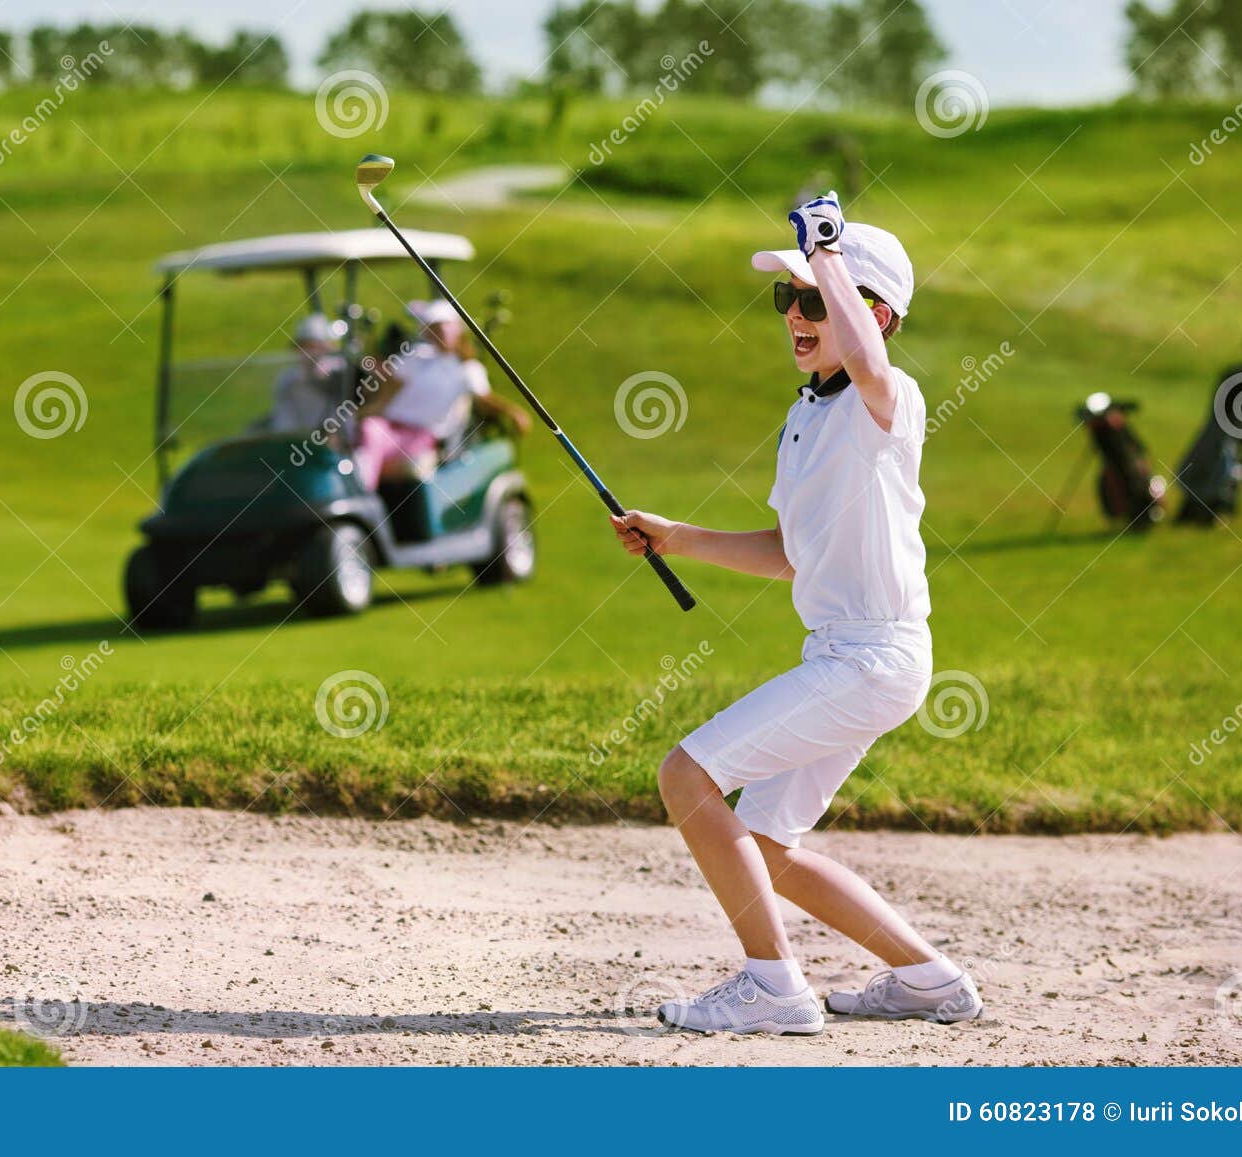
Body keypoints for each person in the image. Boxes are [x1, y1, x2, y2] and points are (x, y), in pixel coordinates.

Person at [610, 193, 981, 1035]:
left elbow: (875, 370)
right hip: (846, 659)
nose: (794, 316)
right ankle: (930, 977)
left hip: (872, 658)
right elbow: (788, 551)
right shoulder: (804, 416)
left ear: (873, 314)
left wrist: (831, 254)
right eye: (788, 299)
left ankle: (773, 985)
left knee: (685, 775)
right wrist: (678, 537)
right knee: (767, 842)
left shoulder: (891, 402)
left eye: (812, 299)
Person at [354, 299, 530, 491]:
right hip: (390, 430)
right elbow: (390, 386)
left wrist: (514, 412)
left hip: (422, 437)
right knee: (367, 428)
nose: (441, 332)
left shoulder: (468, 369)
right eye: (434, 327)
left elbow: (485, 400)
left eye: (445, 325)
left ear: (458, 328)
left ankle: (364, 495)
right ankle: (361, 494)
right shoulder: (417, 356)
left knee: (370, 434)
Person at [268, 314, 345, 433]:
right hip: (300, 442)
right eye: (306, 347)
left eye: (317, 347)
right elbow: (284, 420)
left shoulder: (340, 375)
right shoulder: (288, 379)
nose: (311, 353)